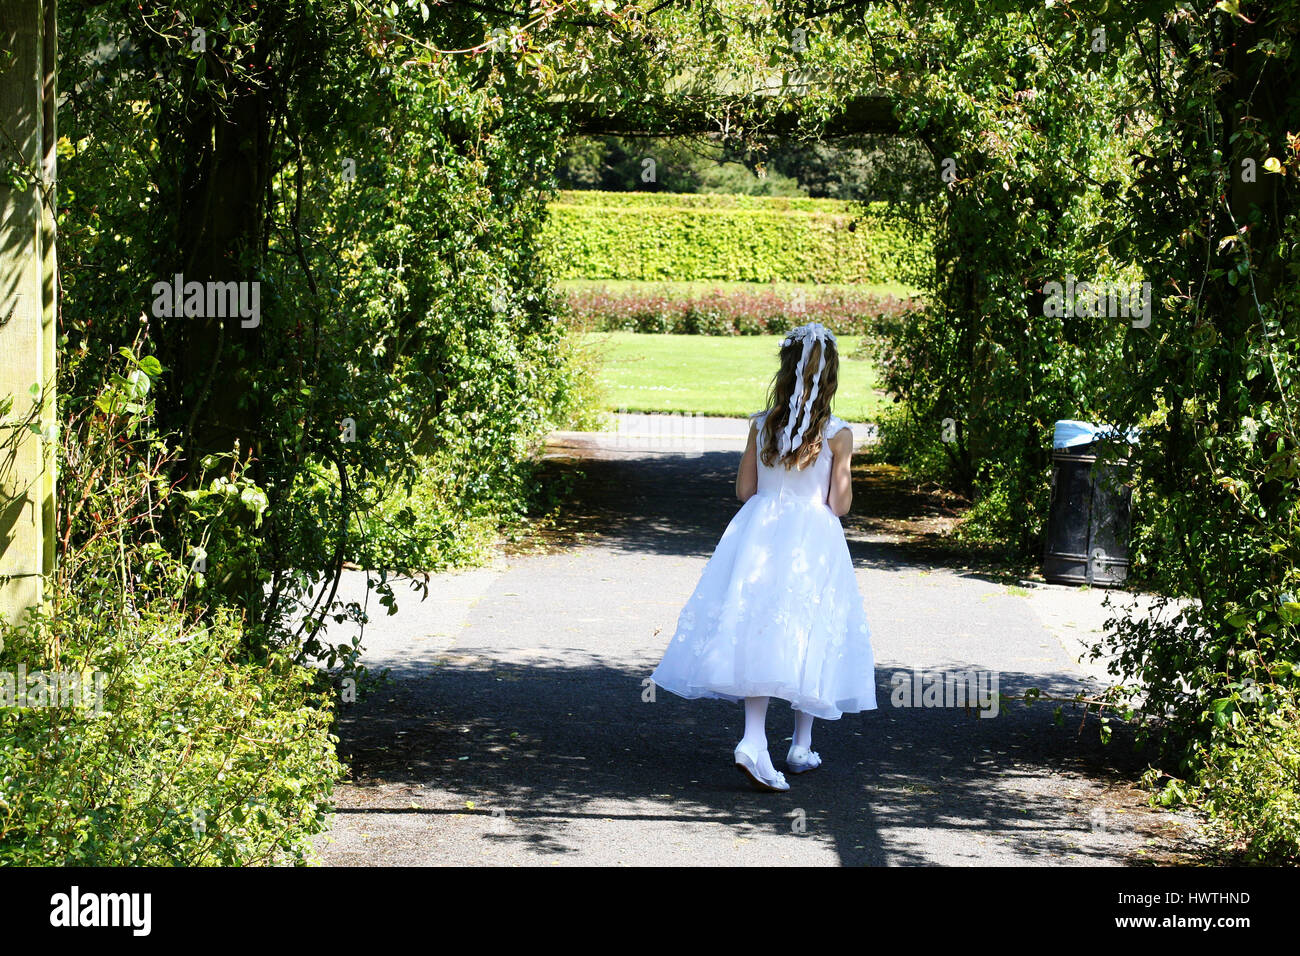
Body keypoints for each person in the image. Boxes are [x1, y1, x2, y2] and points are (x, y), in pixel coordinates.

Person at [650, 322, 877, 792]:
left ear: (786, 370)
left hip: (759, 533)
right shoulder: (838, 434)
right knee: (807, 626)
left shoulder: (760, 424)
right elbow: (839, 505)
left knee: (759, 626)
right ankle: (799, 744)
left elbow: (744, 490)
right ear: (829, 378)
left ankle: (755, 737)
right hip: (813, 540)